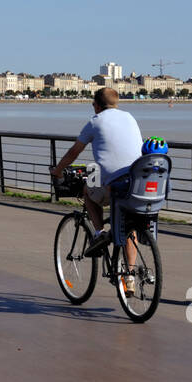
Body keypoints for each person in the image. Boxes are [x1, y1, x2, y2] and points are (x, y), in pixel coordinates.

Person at [49, 87, 144, 288]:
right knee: (129, 227)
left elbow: (74, 152)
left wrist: (57, 170)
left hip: (114, 187)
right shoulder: (130, 118)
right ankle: (130, 277)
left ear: (97, 105)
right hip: (136, 185)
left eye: (93, 105)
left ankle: (100, 233)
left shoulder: (95, 122)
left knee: (87, 189)